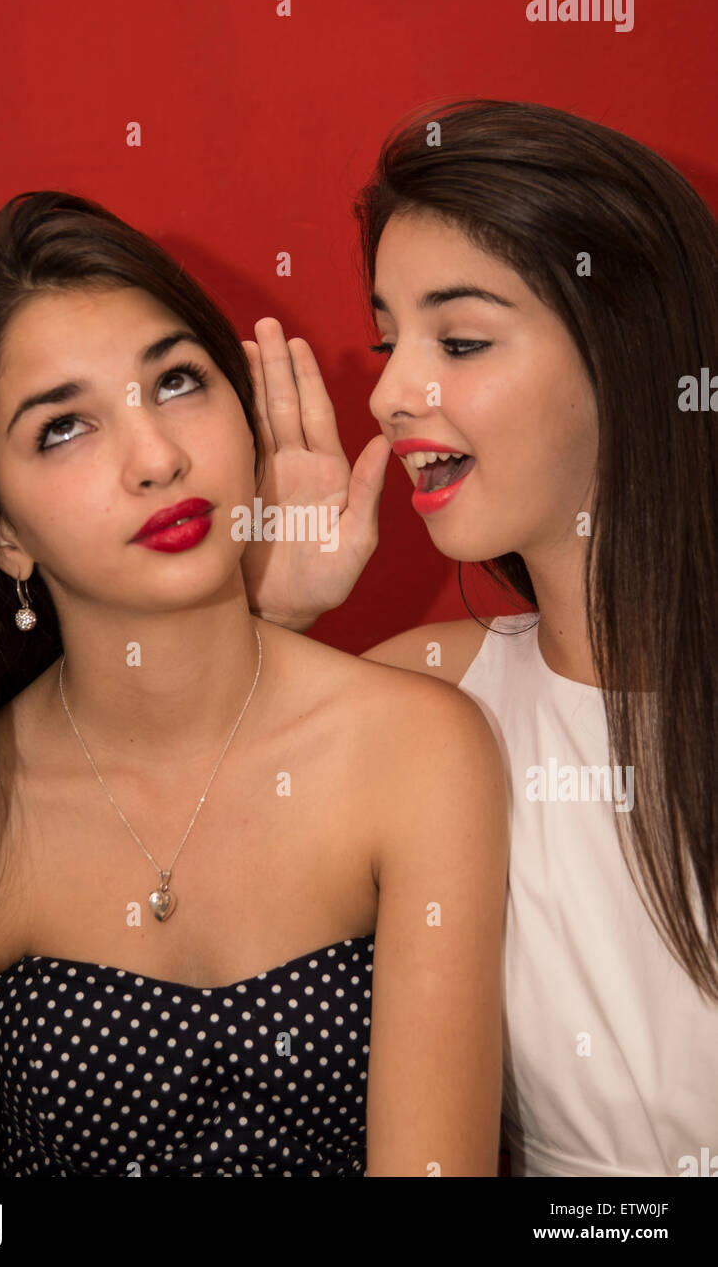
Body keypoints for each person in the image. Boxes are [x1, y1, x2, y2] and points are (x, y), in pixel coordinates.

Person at [0, 190, 507, 1177]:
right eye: (65, 428)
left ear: (247, 421)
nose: (156, 458)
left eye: (178, 383)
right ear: (2, 534)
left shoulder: (418, 748)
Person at [240, 98, 718, 1177]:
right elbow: (175, 847)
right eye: (389, 339)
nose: (398, 392)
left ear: (628, 355)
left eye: (459, 339)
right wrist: (276, 608)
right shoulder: (431, 701)